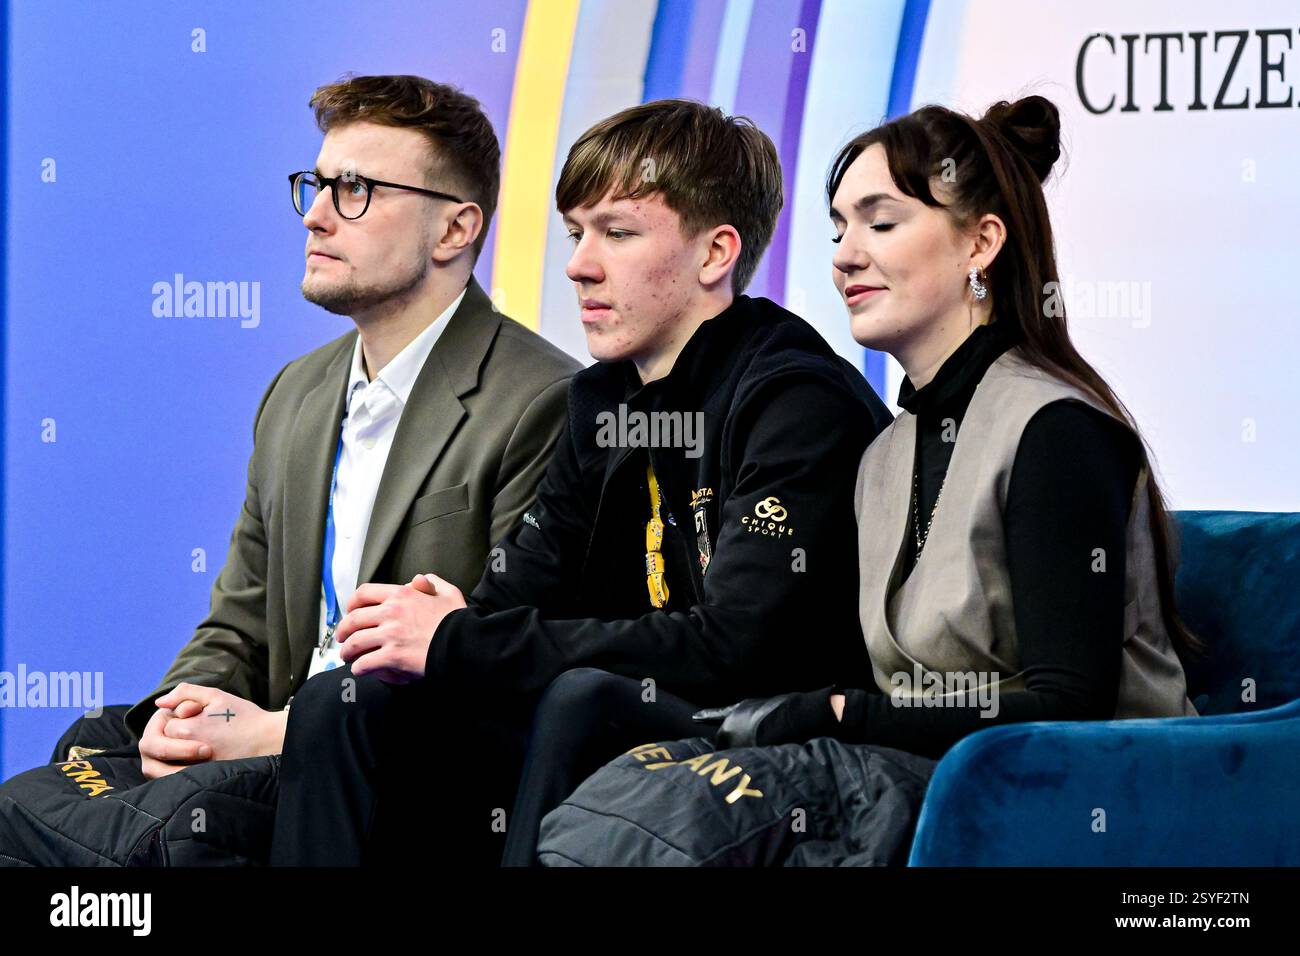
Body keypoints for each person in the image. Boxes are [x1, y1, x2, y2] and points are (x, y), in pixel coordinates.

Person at [532, 95, 1201, 867]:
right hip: (905, 781)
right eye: (838, 228)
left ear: (981, 243)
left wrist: (845, 714)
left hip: (1073, 801)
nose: (845, 254)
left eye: (879, 223)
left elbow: (1067, 707)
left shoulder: (1056, 429)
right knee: (615, 792)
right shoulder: (889, 448)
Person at [268, 98, 894, 867]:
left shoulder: (796, 400)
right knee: (349, 700)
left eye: (618, 233)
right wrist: (436, 624)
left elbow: (735, 646)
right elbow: (517, 597)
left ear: (715, 253)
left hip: (766, 737)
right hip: (627, 714)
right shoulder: (602, 401)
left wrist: (468, 638)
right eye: (575, 233)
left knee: (585, 700)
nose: (578, 264)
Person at [0, 74, 579, 866]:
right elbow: (236, 621)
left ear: (455, 230)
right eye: (315, 184)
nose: (314, 213)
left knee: (126, 842)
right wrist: (185, 709)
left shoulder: (545, 399)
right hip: (267, 747)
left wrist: (276, 731)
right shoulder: (297, 392)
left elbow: (499, 666)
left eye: (355, 190)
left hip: (387, 771)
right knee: (85, 757)